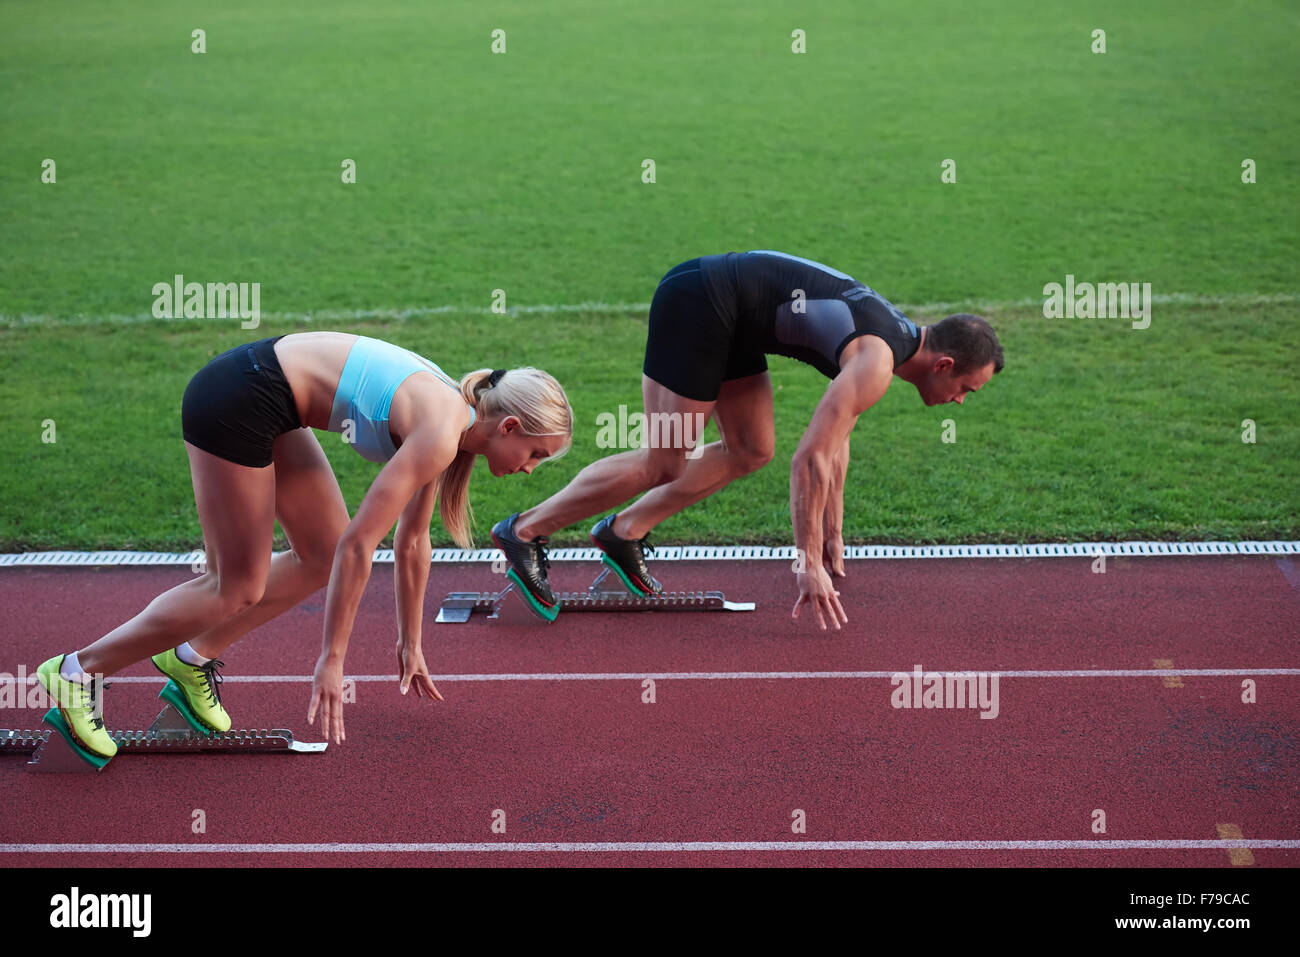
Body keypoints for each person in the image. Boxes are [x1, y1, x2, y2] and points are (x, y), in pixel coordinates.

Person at [35, 332, 573, 756]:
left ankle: (190, 657)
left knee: (318, 553)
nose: (529, 469)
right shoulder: (439, 432)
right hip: (241, 397)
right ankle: (77, 672)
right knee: (235, 586)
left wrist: (412, 643)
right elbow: (362, 546)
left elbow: (411, 545)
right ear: (508, 426)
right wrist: (331, 661)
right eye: (535, 455)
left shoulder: (451, 423)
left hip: (268, 396)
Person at [491, 250, 1003, 631]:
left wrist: (833, 532)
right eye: (965, 389)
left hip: (731, 318)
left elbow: (835, 441)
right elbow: (810, 460)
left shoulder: (890, 344)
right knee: (664, 460)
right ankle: (526, 531)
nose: (960, 400)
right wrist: (805, 562)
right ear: (944, 365)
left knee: (752, 449)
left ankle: (624, 532)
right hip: (701, 302)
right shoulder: (877, 360)